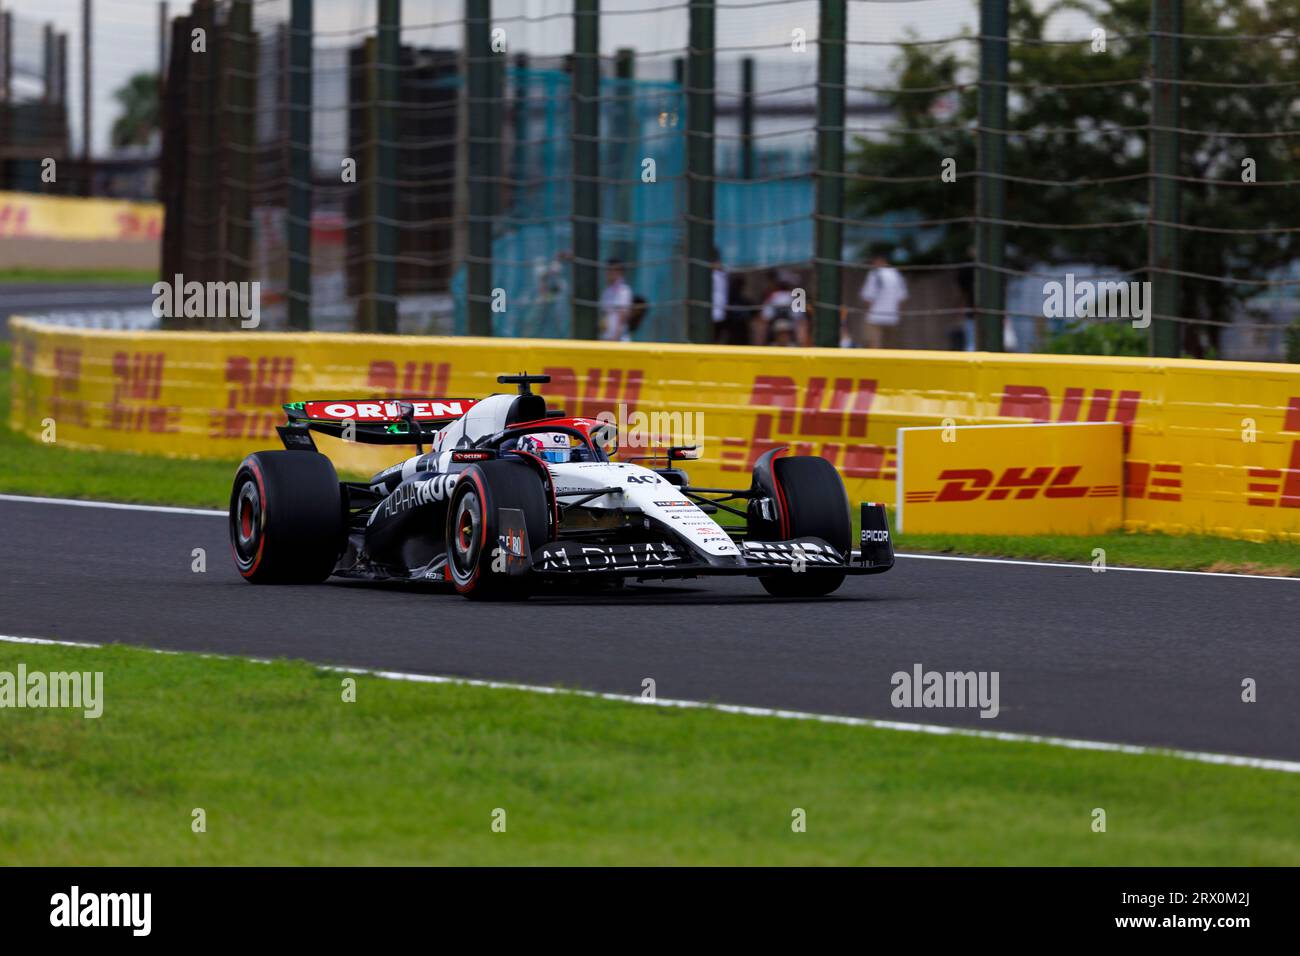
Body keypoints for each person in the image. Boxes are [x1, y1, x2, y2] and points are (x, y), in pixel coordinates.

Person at [860, 248, 909, 349]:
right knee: (891, 348)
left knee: (873, 346)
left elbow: (868, 297)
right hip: (892, 317)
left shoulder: (874, 274)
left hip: (875, 316)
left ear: (878, 261)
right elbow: (902, 297)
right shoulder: (896, 274)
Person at [599, 258, 633, 341]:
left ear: (620, 272)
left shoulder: (624, 291)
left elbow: (622, 317)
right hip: (606, 338)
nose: (609, 273)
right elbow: (605, 315)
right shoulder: (606, 291)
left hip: (619, 340)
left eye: (613, 270)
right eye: (608, 270)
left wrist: (615, 338)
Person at [710, 247, 729, 344]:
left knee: (716, 339)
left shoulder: (720, 274)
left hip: (717, 313)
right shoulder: (719, 273)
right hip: (714, 312)